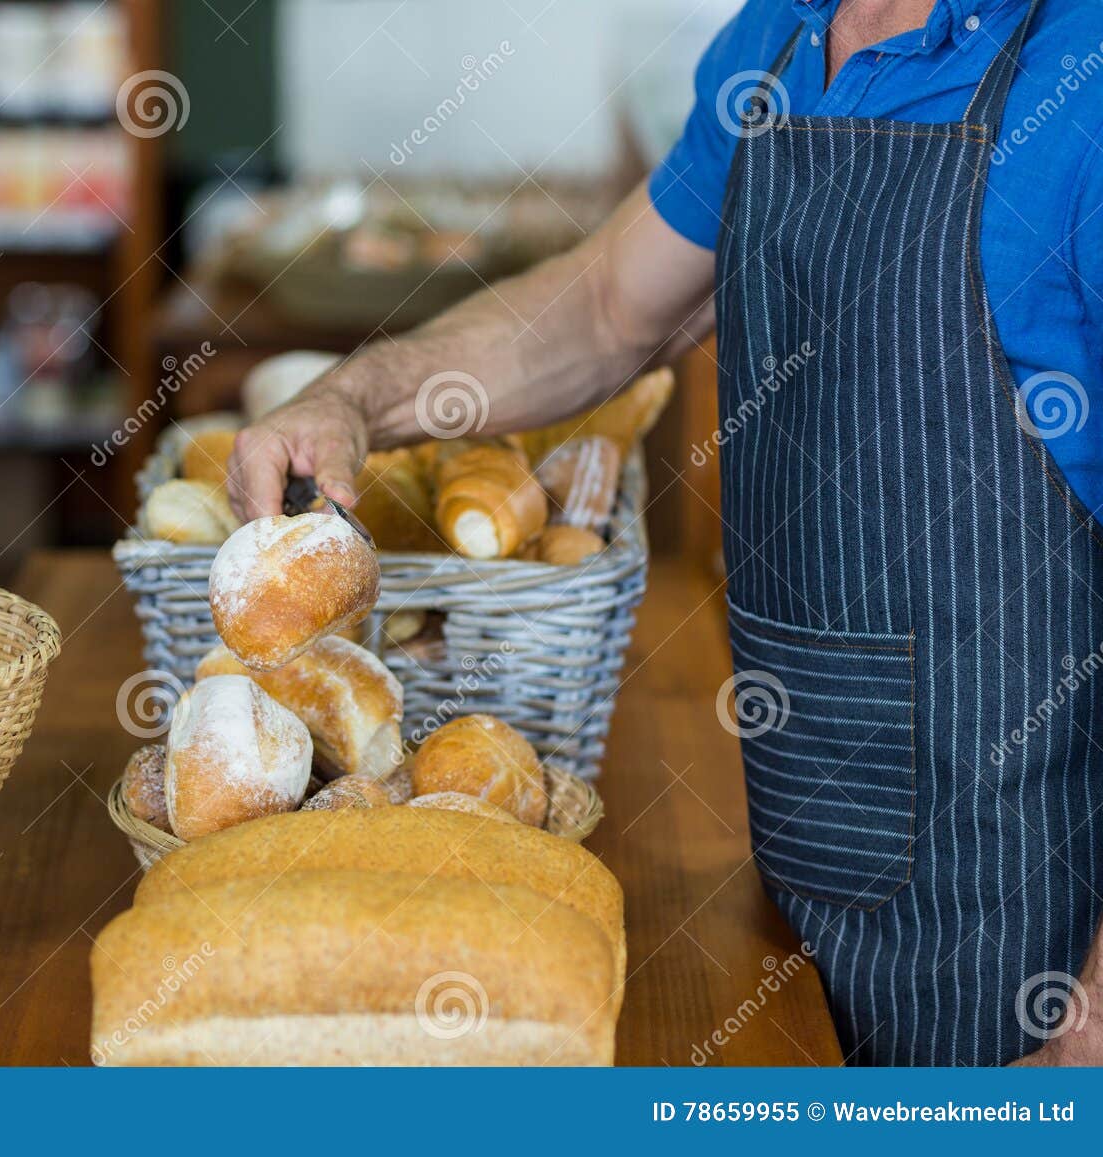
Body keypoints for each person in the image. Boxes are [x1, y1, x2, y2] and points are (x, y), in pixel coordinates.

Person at [231, 0, 1103, 1066]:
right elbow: (608, 308)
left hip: (1029, 934)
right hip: (809, 859)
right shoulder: (783, 35)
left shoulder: (1080, 76)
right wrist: (356, 399)